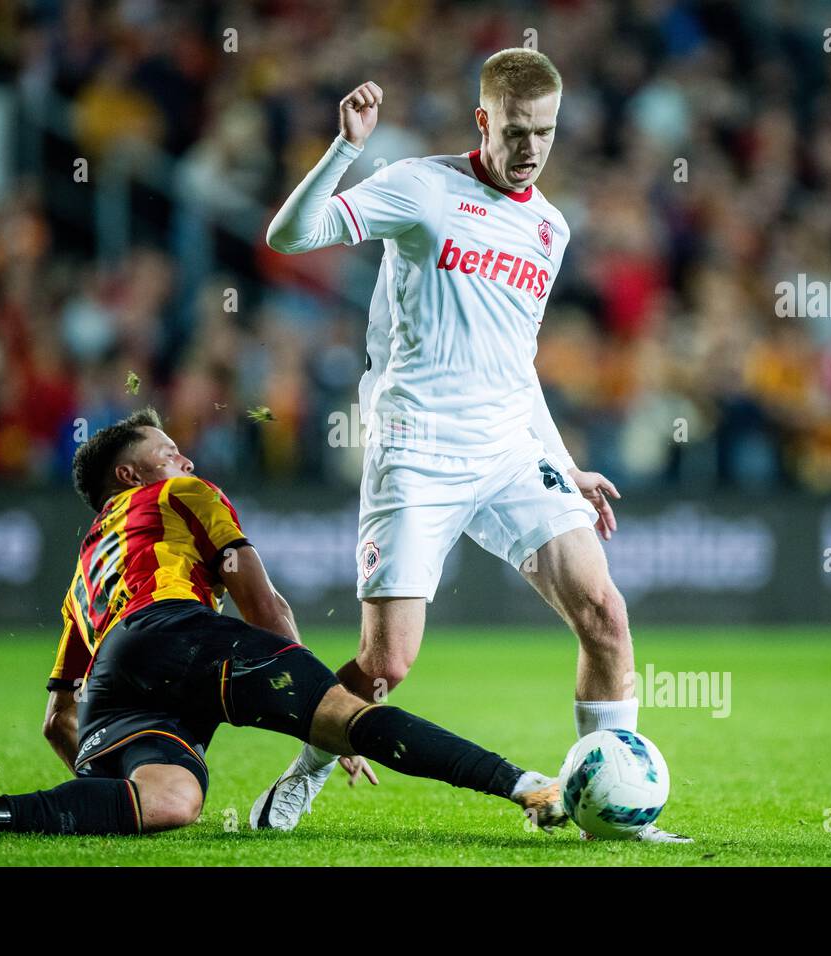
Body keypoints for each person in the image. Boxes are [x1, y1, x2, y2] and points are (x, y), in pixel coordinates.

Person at [261, 47, 689, 841]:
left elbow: (514, 361)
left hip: (506, 447)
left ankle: (612, 813)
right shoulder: (421, 187)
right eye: (518, 131)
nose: (532, 149)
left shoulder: (549, 227)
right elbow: (291, 236)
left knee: (605, 613)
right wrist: (348, 148)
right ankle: (301, 775)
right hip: (415, 446)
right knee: (386, 664)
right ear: (484, 120)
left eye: (548, 133)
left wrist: (563, 463)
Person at [0, 409, 564, 838]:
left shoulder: (85, 565)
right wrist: (316, 701)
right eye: (170, 452)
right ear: (130, 473)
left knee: (168, 800)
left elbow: (58, 719)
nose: (186, 462)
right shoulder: (178, 495)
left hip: (117, 677)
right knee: (353, 720)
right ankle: (526, 788)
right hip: (176, 635)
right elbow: (264, 602)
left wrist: (96, 778)